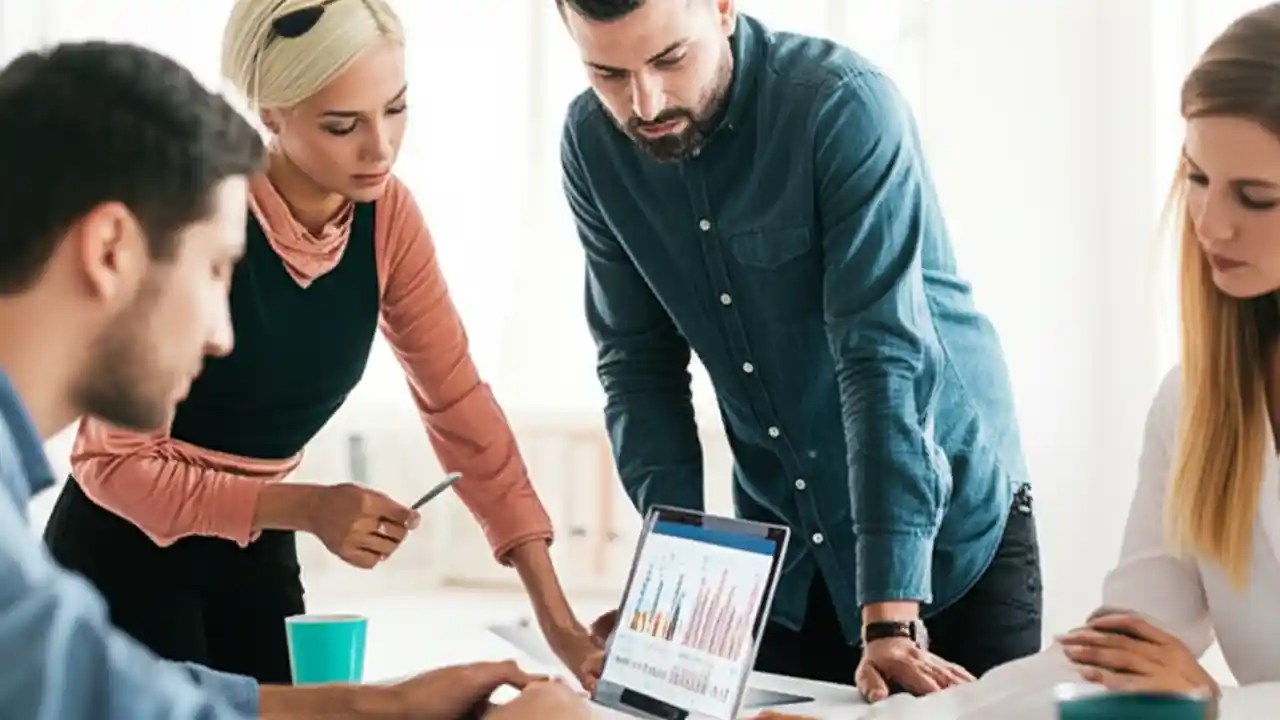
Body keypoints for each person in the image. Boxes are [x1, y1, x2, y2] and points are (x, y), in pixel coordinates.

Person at [0, 38, 587, 720]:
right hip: (127, 550)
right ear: (111, 250)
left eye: (395, 110)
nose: (225, 333)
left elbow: (120, 692)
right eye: (217, 269)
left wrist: (385, 704)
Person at [555, 0, 1042, 700]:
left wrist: (891, 620)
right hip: (786, 547)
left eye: (670, 59)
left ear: (722, 8)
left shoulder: (840, 108)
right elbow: (638, 368)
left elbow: (882, 360)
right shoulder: (593, 144)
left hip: (944, 528)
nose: (644, 102)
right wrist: (677, 578)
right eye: (607, 72)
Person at [864, 4, 1280, 718]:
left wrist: (1217, 706)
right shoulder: (1196, 402)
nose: (1210, 222)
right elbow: (1123, 649)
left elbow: (1188, 690)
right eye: (1198, 179)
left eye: (1258, 196)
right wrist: (907, 717)